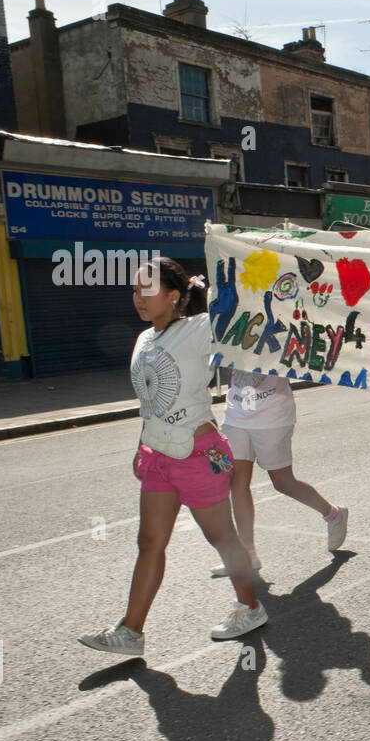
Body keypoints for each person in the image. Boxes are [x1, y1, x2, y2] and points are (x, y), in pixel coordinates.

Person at [81, 259, 266, 656]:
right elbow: (150, 399)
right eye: (134, 290)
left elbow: (240, 305)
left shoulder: (199, 330)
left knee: (221, 537)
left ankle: (250, 607)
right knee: (149, 541)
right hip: (157, 455)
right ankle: (131, 632)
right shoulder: (144, 340)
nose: (138, 298)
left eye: (147, 290)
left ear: (174, 295)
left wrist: (227, 258)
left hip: (197, 454)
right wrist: (140, 445)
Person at [210, 368, 348, 576]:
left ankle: (333, 514)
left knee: (282, 482)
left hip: (273, 414)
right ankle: (247, 554)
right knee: (237, 482)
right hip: (236, 415)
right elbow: (230, 359)